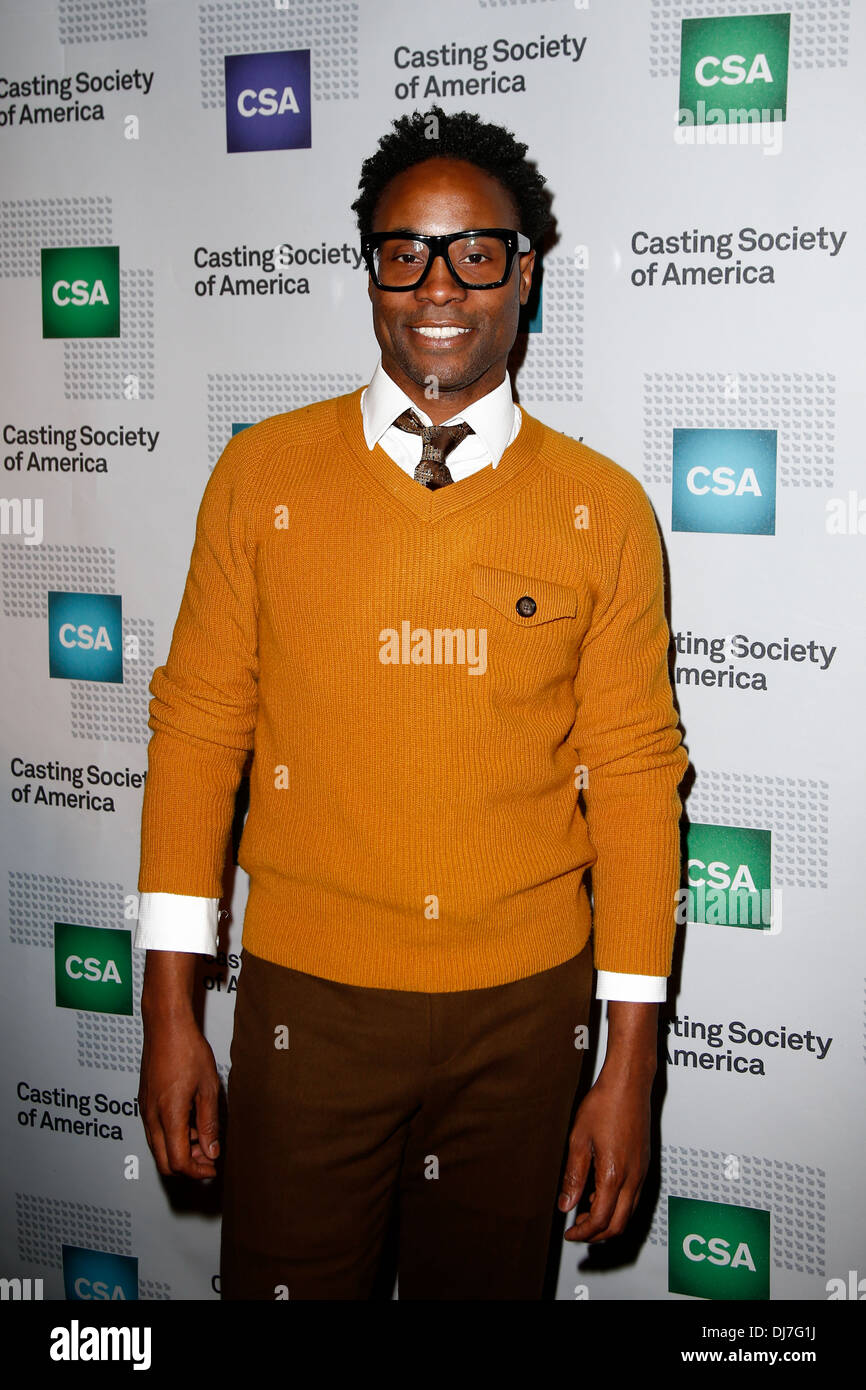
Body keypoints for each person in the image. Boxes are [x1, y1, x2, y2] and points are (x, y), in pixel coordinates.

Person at [135, 106, 689, 1301]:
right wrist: (168, 1008)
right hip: (308, 1012)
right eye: (405, 251)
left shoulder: (601, 509)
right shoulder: (260, 478)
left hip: (526, 1019)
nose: (440, 285)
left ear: (523, 275)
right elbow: (196, 738)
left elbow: (637, 781)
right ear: (372, 275)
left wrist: (627, 1064)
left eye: (475, 250)